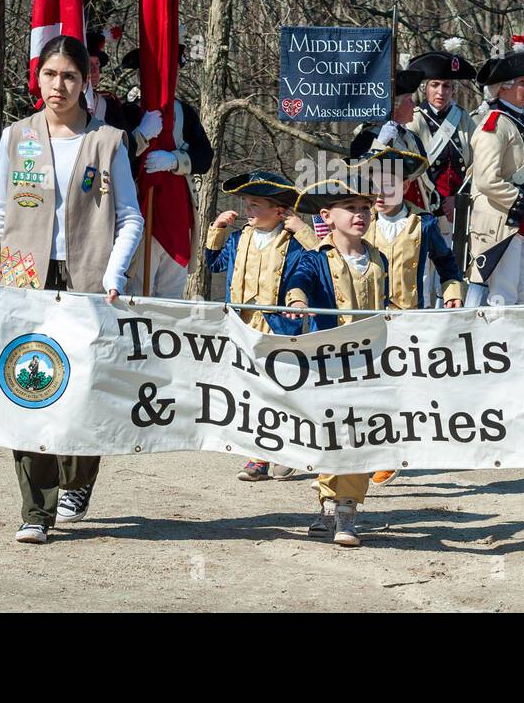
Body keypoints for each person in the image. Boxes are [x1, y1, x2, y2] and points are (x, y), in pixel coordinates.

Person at [0, 34, 144, 544]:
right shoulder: (18, 136)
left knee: (83, 387)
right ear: (36, 78)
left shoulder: (109, 141)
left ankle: (78, 478)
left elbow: (129, 217)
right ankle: (35, 509)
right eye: (49, 74)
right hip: (23, 277)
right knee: (29, 385)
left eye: (69, 76)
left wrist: (114, 274)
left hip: (88, 279)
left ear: (86, 82)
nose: (57, 86)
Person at [284, 178, 390, 547]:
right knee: (330, 430)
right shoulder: (316, 258)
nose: (360, 215)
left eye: (365, 208)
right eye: (351, 208)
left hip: (369, 362)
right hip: (328, 362)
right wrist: (298, 301)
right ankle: (327, 501)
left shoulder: (379, 259)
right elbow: (299, 280)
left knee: (360, 433)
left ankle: (347, 509)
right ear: (328, 216)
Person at [357, 142, 463, 487]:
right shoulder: (360, 224)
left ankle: (389, 453)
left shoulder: (423, 224)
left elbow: (447, 264)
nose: (379, 193)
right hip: (366, 318)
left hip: (407, 317)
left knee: (397, 388)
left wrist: (451, 293)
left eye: (388, 185)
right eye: (374, 184)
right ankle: (361, 452)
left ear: (404, 187)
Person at [204, 170, 318, 482]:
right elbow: (213, 264)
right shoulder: (239, 239)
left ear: (279, 211)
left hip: (279, 329)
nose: (247, 211)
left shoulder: (293, 245)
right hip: (243, 327)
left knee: (279, 392)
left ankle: (285, 449)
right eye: (246, 204)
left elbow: (321, 265)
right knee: (249, 392)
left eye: (255, 205)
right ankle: (258, 456)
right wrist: (218, 229)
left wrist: (304, 232)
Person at [465, 47, 524, 306]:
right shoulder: (493, 124)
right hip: (500, 222)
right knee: (502, 298)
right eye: (521, 83)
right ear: (502, 89)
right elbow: (486, 179)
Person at [124, 48, 212, 298]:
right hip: (139, 211)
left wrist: (174, 160)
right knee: (137, 290)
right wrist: (139, 137)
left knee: (172, 294)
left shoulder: (185, 113)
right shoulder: (128, 111)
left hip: (176, 214)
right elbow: (115, 156)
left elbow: (204, 157)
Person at [404, 41, 477, 302]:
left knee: (451, 274)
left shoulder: (464, 119)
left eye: (447, 86)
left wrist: (458, 199)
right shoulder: (413, 119)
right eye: (435, 85)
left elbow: (475, 163)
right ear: (425, 87)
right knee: (422, 275)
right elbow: (412, 168)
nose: (441, 91)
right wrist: (436, 201)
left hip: (456, 209)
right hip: (424, 208)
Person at [351, 66, 435, 215]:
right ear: (394, 106)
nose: (414, 105)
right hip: (385, 214)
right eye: (409, 100)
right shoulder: (365, 138)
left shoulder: (412, 137)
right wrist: (380, 144)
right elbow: (361, 175)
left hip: (414, 213)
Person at [86, 31, 128, 131]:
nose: (95, 70)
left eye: (97, 64)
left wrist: (143, 134)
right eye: (88, 64)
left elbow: (126, 144)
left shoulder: (108, 102)